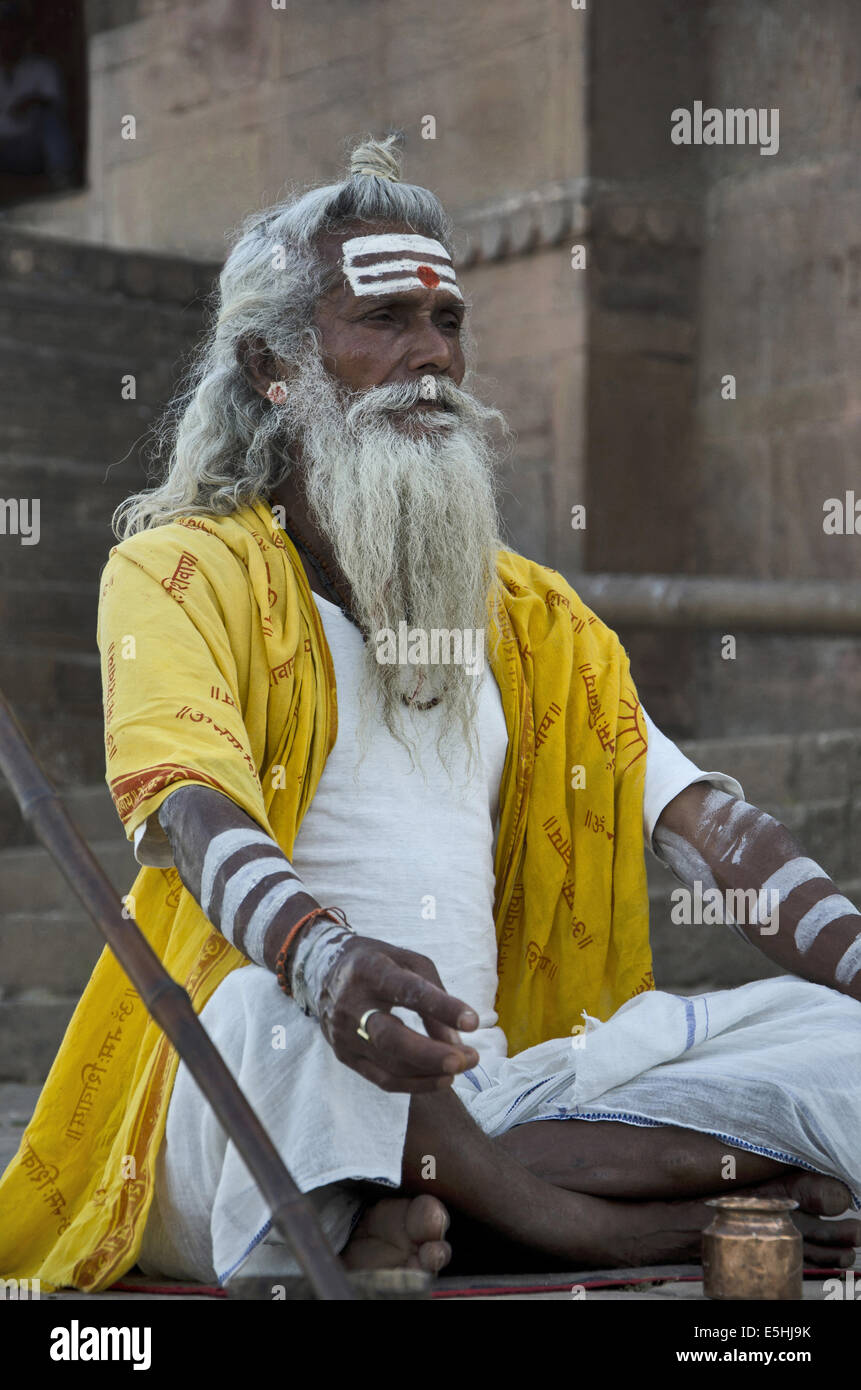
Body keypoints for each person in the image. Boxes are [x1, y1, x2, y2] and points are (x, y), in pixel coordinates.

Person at [1, 134, 860, 1292]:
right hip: (282, 1064)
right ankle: (592, 1219)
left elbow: (717, 828)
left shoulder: (528, 616)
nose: (433, 358)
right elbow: (190, 804)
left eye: (448, 321)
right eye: (387, 322)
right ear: (274, 365)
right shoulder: (178, 571)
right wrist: (329, 961)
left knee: (835, 1040)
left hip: (497, 1087)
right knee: (260, 1016)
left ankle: (460, 1196)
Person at [0, 1, 76, 190]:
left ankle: (62, 178)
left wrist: (33, 100)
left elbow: (56, 108)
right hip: (3, 150)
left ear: (24, 33)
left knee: (49, 116)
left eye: (13, 29)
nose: (8, 36)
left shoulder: (43, 68)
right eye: (3, 30)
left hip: (33, 149)